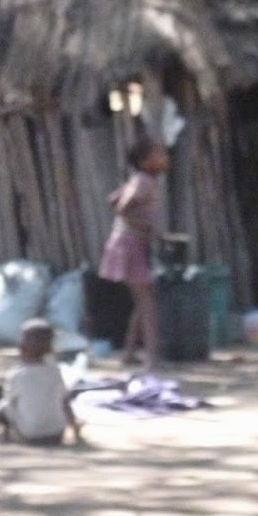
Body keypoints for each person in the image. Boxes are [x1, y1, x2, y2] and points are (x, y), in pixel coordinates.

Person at [100, 136, 170, 370]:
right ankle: (152, 359)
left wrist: (146, 229)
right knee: (147, 302)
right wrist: (150, 229)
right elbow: (122, 208)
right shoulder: (144, 182)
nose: (164, 158)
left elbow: (112, 200)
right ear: (145, 161)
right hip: (129, 244)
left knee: (142, 301)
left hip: (127, 243)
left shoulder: (139, 179)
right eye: (159, 154)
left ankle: (129, 354)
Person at [0, 318, 83, 446]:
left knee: (2, 405)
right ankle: (73, 429)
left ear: (21, 347)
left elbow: (10, 403)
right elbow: (65, 403)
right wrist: (75, 429)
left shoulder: (17, 374)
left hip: (31, 436)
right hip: (56, 435)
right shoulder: (55, 372)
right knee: (55, 401)